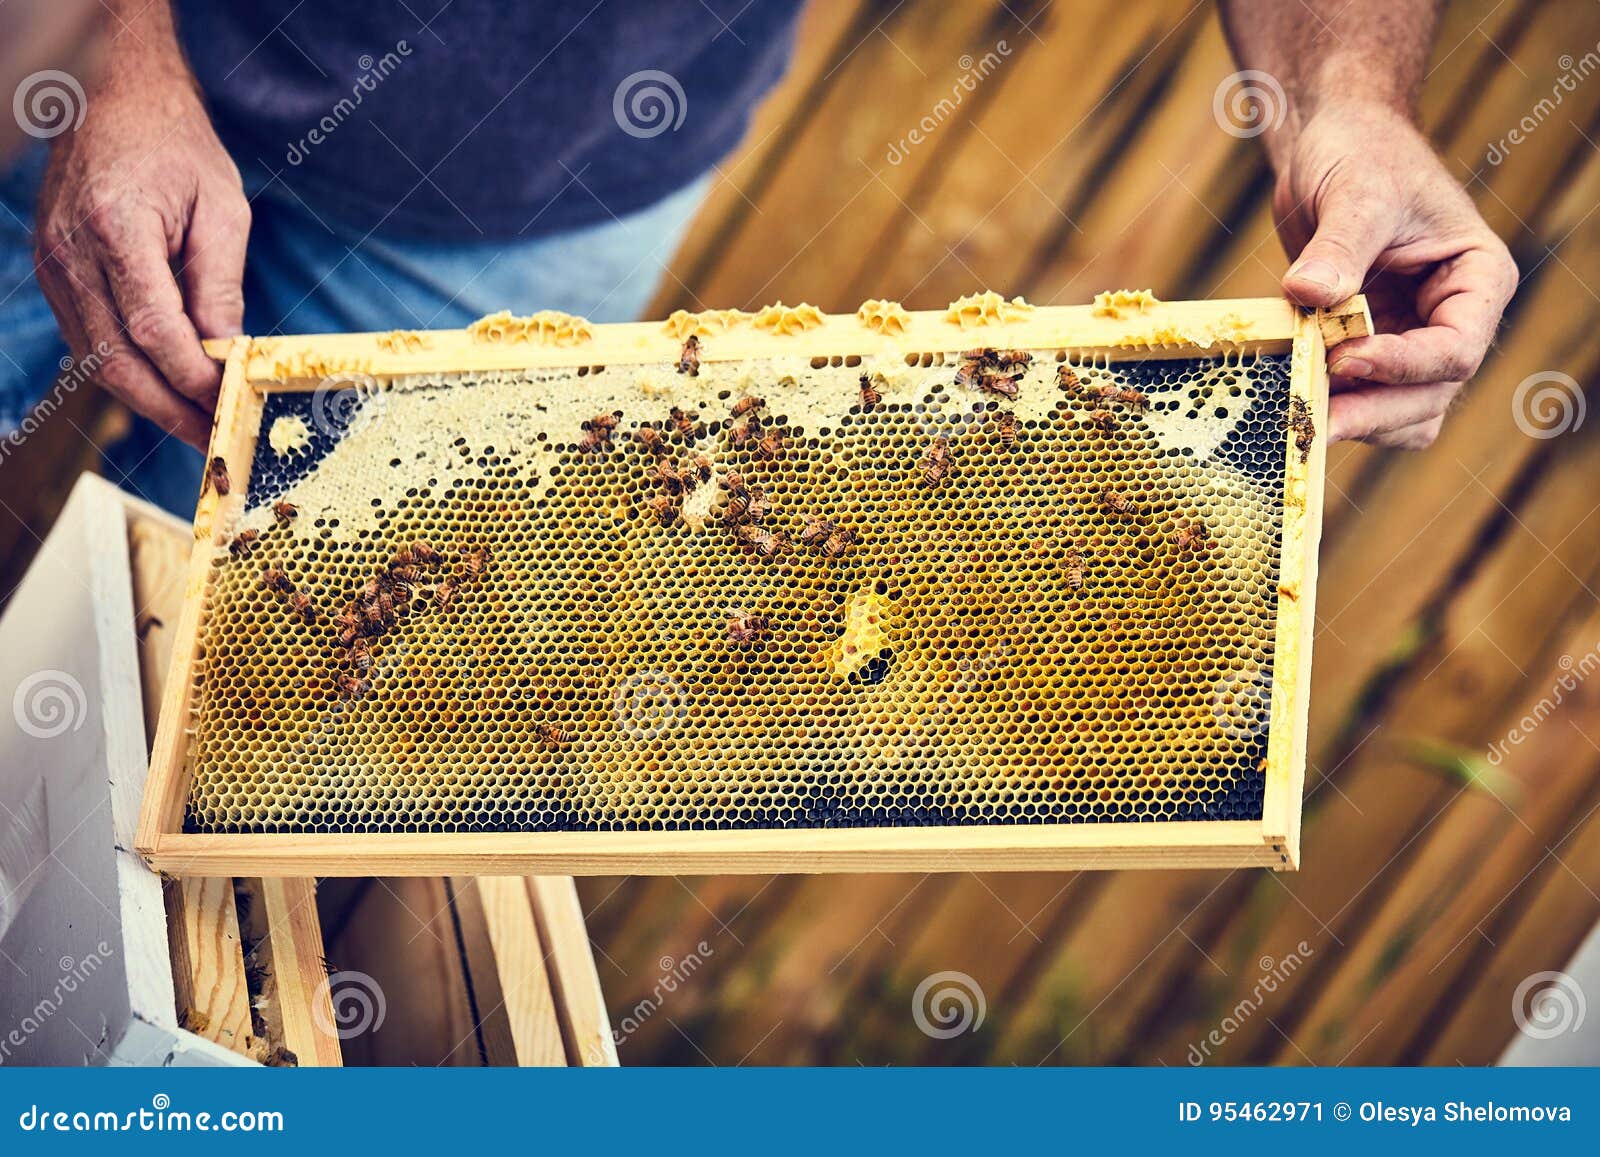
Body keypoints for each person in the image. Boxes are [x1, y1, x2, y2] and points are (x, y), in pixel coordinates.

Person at [0, 0, 1516, 513]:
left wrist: (1354, 101)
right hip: (99, 55)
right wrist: (115, 45)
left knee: (168, 752)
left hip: (554, 187)